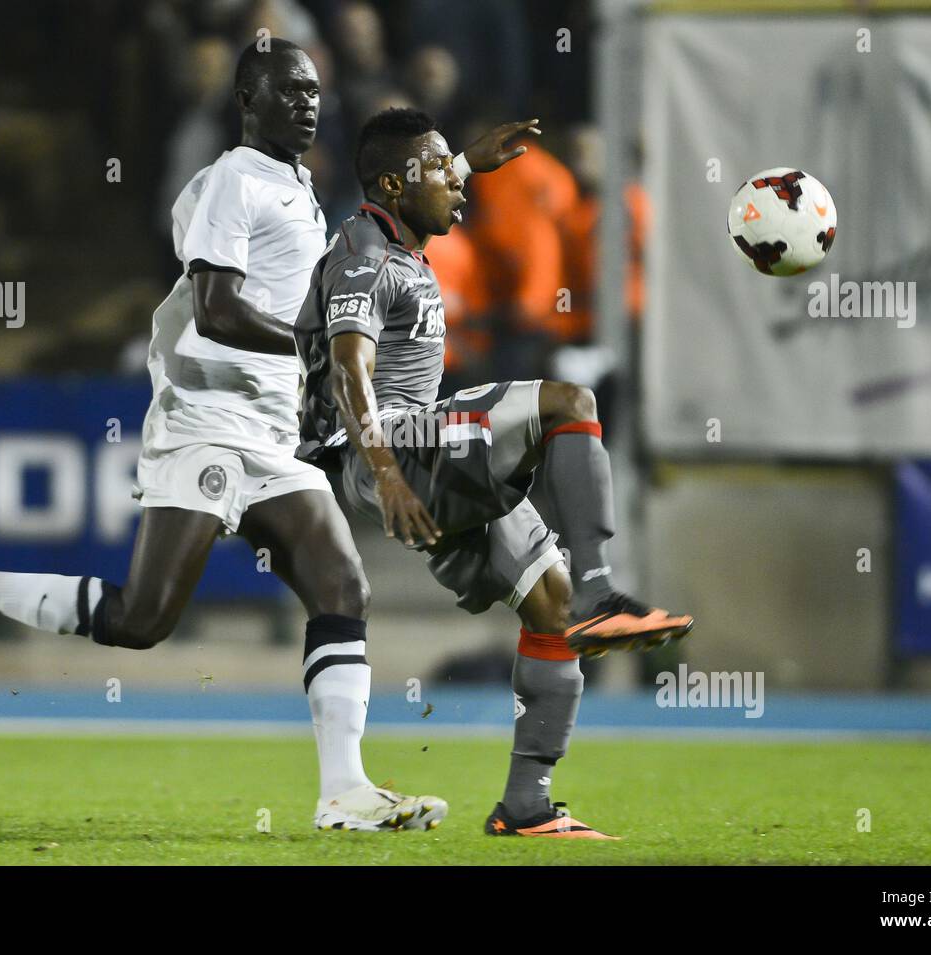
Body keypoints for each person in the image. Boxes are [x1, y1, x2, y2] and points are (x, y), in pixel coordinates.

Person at [0, 39, 535, 834]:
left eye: (314, 89)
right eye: (288, 90)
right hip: (208, 424)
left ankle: (344, 790)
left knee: (342, 588)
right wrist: (312, 347)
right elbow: (217, 307)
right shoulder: (233, 180)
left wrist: (458, 164)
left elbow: (381, 214)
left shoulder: (299, 187)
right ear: (248, 102)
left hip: (271, 435)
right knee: (142, 620)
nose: (307, 102)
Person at [295, 108, 695, 839]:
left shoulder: (393, 239)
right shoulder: (362, 256)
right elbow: (351, 363)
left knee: (549, 600)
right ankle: (604, 590)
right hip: (394, 447)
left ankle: (526, 805)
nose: (458, 182)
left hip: (414, 452)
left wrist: (463, 160)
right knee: (569, 402)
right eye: (440, 169)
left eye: (454, 167)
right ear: (392, 182)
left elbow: (416, 191)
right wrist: (385, 474)